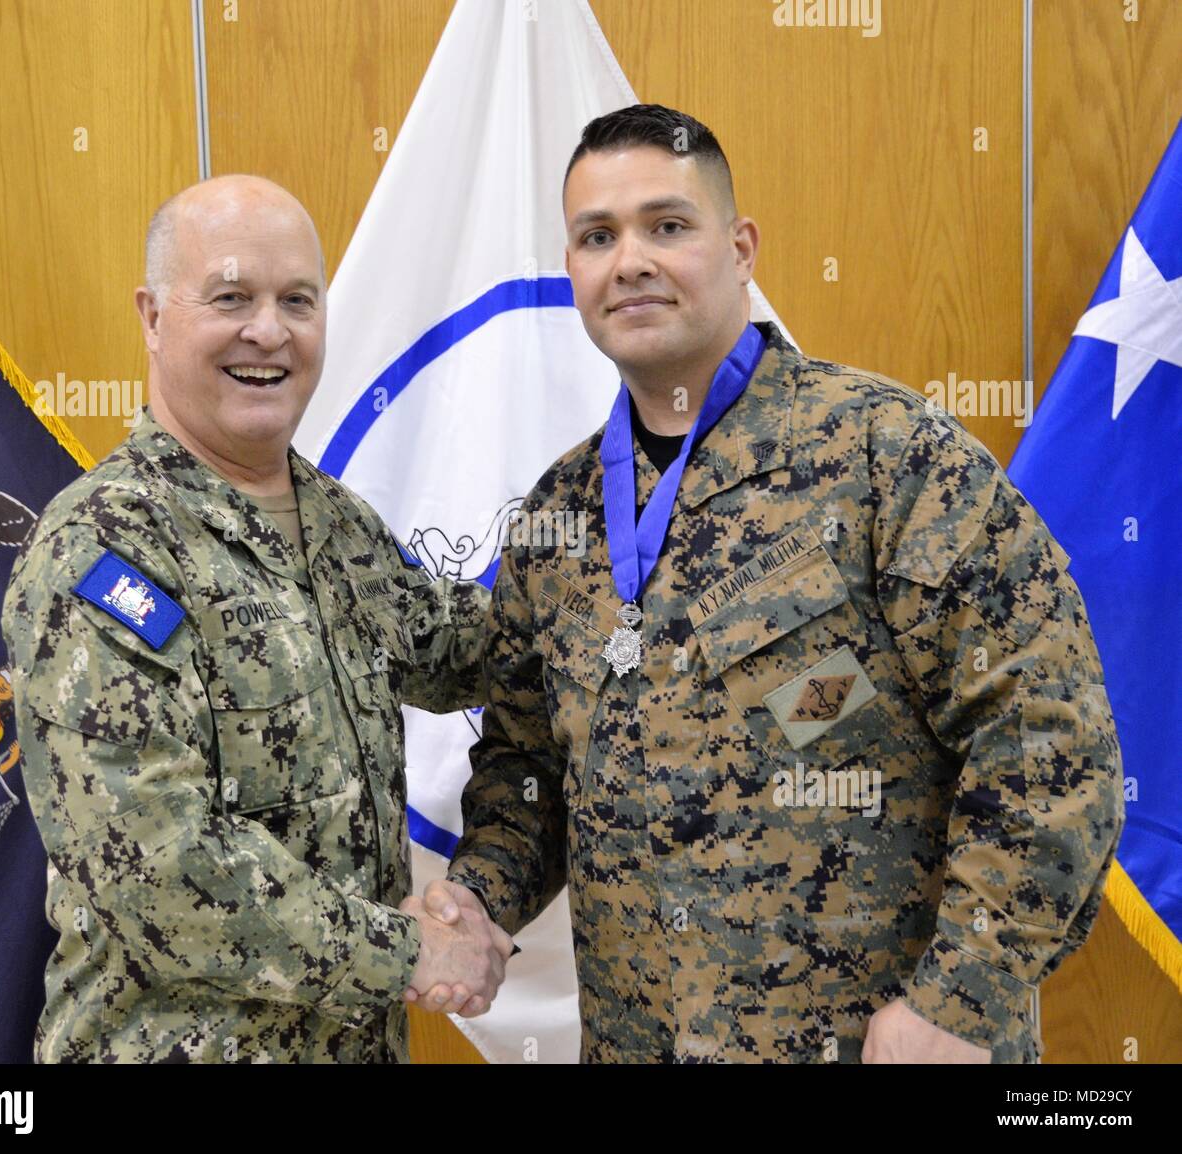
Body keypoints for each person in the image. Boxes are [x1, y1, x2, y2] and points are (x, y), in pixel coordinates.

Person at [415, 105, 1124, 1063]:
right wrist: (481, 900)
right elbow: (528, 768)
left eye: (668, 226)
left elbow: (1047, 739)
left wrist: (963, 998)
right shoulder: (558, 518)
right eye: (597, 236)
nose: (630, 260)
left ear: (740, 247)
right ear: (573, 270)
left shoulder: (888, 460)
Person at [1, 174, 511, 1063]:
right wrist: (412, 949)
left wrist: (613, 574)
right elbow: (160, 865)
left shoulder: (336, 523)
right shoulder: (102, 551)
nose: (268, 332)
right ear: (154, 316)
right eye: (231, 297)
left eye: (297, 301)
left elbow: (456, 648)